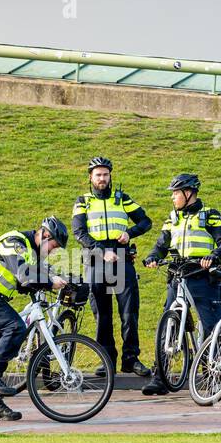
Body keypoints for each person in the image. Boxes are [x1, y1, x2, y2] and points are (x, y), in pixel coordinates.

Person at [0, 218, 70, 421]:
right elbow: (24, 275)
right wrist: (49, 283)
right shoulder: (16, 243)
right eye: (53, 246)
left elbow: (28, 280)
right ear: (44, 235)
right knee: (16, 328)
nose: (53, 251)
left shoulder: (30, 251)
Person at [141, 173, 221, 396]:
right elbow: (161, 245)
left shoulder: (209, 215)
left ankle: (212, 375)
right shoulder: (172, 218)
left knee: (211, 326)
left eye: (175, 193)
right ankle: (160, 377)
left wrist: (213, 255)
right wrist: (153, 257)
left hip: (202, 277)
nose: (173, 198)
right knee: (167, 326)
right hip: (177, 276)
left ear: (188, 193)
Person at [71, 156, 152, 378]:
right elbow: (79, 232)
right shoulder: (82, 202)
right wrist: (101, 250)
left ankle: (131, 359)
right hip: (96, 262)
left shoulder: (122, 199)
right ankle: (106, 361)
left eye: (106, 174)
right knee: (102, 315)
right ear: (90, 177)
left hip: (122, 260)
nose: (102, 178)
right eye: (98, 175)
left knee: (129, 313)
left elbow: (146, 221)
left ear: (110, 176)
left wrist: (130, 233)